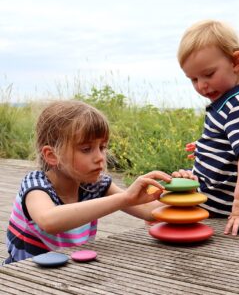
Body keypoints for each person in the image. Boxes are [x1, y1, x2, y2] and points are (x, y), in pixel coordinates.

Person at [4, 100, 171, 264]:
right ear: (52, 155)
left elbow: (150, 212)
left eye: (102, 147)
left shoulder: (95, 184)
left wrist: (181, 189)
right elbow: (49, 221)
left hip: (70, 273)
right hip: (23, 276)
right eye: (86, 149)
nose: (100, 157)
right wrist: (126, 198)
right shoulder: (36, 185)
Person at [172, 20, 239, 236]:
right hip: (212, 191)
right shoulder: (232, 102)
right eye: (193, 79)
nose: (201, 85)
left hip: (217, 200)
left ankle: (114, 199)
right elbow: (231, 142)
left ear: (236, 62)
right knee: (165, 188)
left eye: (208, 74)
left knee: (157, 205)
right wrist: (206, 146)